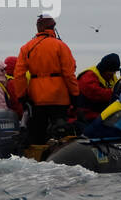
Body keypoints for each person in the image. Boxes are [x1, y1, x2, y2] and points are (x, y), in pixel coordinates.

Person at [13, 15, 79, 144]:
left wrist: (22, 97)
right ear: (53, 27)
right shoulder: (61, 46)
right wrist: (75, 94)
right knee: (60, 131)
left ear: (38, 28)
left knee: (37, 133)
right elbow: (69, 73)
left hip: (36, 98)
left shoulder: (26, 48)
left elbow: (19, 75)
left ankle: (36, 154)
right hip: (59, 97)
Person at [75, 53, 120, 122]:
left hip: (103, 114)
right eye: (111, 72)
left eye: (115, 72)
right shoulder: (88, 77)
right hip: (87, 115)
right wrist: (117, 93)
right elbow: (96, 93)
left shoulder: (111, 77)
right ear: (104, 69)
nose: (113, 74)